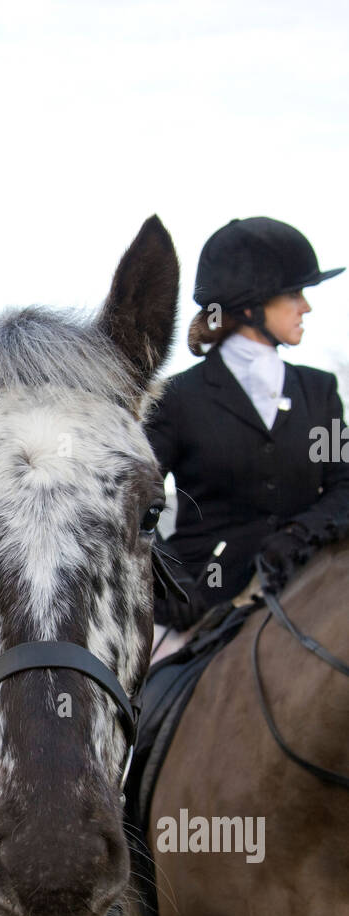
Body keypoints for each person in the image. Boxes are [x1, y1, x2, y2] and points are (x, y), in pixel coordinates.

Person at [148, 217, 348, 646]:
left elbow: (345, 485)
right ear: (250, 305)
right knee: (141, 706)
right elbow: (129, 503)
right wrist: (173, 583)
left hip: (308, 593)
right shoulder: (179, 398)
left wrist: (297, 534)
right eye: (295, 293)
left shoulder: (319, 391)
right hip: (201, 607)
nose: (306, 307)